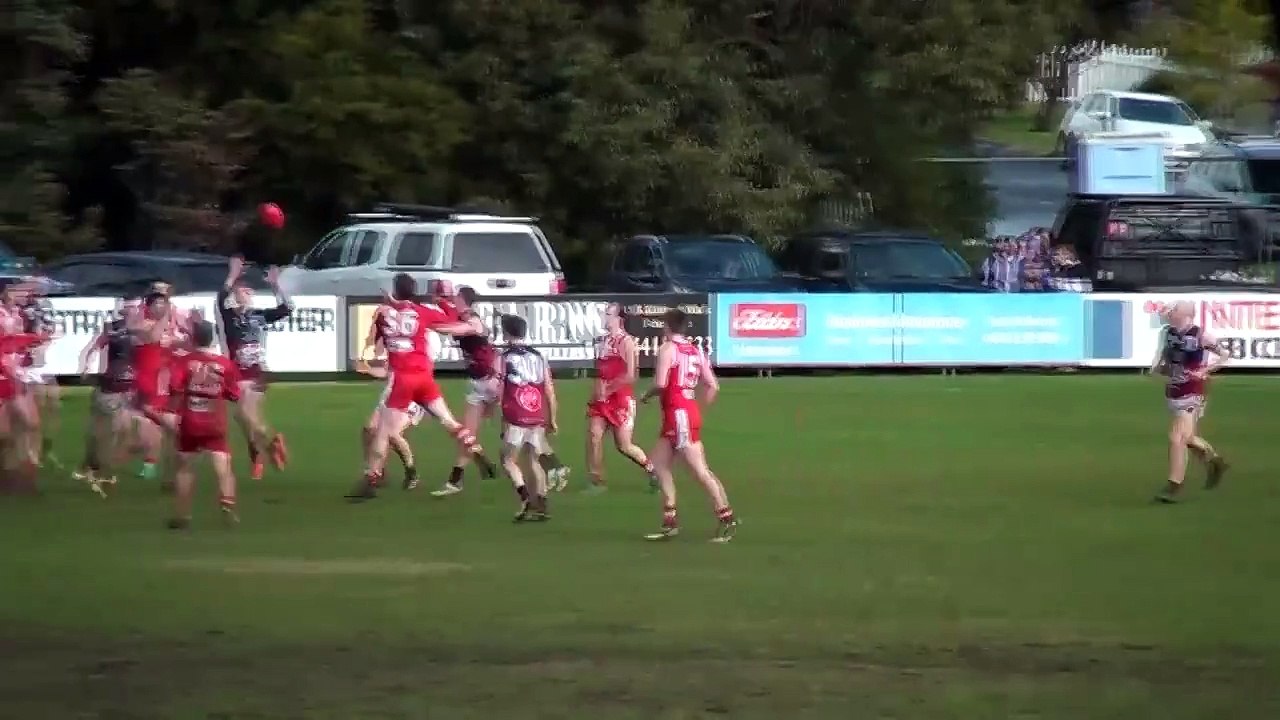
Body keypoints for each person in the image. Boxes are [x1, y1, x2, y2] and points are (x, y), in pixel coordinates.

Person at [348, 273, 494, 500]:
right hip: (424, 378)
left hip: (402, 379)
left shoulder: (383, 314)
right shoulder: (422, 313)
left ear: (394, 291)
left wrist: (389, 302)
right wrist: (457, 314)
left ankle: (371, 478)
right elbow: (451, 322)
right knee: (448, 421)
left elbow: (379, 342)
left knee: (383, 431)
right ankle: (475, 449)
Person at [639, 309, 737, 542]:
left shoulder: (668, 349)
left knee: (700, 471)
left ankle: (726, 518)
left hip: (678, 414)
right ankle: (670, 518)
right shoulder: (695, 350)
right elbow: (713, 386)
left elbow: (661, 383)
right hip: (684, 412)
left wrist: (646, 394)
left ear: (667, 327)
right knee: (658, 464)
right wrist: (696, 409)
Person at [158, 320, 244, 528]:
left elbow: (175, 387)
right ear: (213, 337)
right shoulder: (225, 364)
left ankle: (182, 515)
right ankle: (228, 507)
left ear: (193, 338)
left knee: (185, 469)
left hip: (190, 423)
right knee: (223, 466)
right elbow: (234, 394)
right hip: (215, 423)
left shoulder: (184, 362)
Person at [216, 256, 290, 480]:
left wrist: (276, 285)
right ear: (235, 294)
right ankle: (266, 447)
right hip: (236, 374)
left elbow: (286, 308)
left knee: (246, 414)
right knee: (244, 419)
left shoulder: (259, 316)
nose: (248, 293)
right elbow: (220, 298)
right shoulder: (229, 317)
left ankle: (264, 449)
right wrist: (232, 275)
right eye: (243, 290)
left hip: (256, 373)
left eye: (250, 291)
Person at [1150, 300, 1230, 504]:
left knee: (1176, 436)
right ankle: (1215, 461)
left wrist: (1205, 370)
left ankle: (1174, 485)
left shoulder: (1200, 335)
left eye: (1174, 309)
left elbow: (1225, 354)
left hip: (1193, 390)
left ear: (1185, 314)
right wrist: (1156, 367)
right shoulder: (1167, 333)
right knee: (1188, 438)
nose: (1170, 312)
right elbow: (1163, 355)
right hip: (1174, 388)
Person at [430, 285, 504, 496]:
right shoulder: (460, 314)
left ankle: (549, 464)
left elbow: (458, 329)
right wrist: (439, 301)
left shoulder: (473, 320)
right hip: (476, 383)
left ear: (462, 299)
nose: (453, 298)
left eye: (456, 296)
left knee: (516, 430)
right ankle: (457, 480)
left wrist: (429, 324)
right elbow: (448, 311)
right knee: (468, 433)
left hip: (492, 382)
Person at [584, 302, 656, 493]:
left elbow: (631, 375)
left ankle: (651, 469)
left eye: (608, 314)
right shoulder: (601, 342)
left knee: (624, 445)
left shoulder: (627, 342)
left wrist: (608, 389)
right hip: (601, 400)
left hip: (620, 400)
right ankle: (596, 481)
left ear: (619, 319)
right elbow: (599, 371)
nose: (605, 317)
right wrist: (596, 393)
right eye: (605, 313)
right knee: (593, 436)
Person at [73, 294, 141, 496]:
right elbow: (96, 346)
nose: (131, 311)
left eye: (134, 307)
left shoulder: (144, 330)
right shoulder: (113, 328)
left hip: (129, 388)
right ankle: (101, 471)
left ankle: (95, 467)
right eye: (128, 307)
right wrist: (87, 364)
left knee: (122, 432)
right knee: (108, 432)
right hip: (110, 386)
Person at [496, 314, 557, 521]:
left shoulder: (504, 357)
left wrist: (501, 416)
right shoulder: (539, 356)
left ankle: (525, 497)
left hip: (516, 415)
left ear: (507, 333)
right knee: (535, 460)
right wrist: (553, 418)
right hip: (537, 413)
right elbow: (549, 389)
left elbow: (500, 390)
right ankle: (542, 505)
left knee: (507, 460)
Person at [17, 283, 59, 465]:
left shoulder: (45, 307)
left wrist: (44, 343)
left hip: (42, 362)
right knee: (34, 412)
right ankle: (31, 451)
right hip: (26, 364)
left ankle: (44, 448)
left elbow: (51, 329)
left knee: (54, 406)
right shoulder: (18, 311)